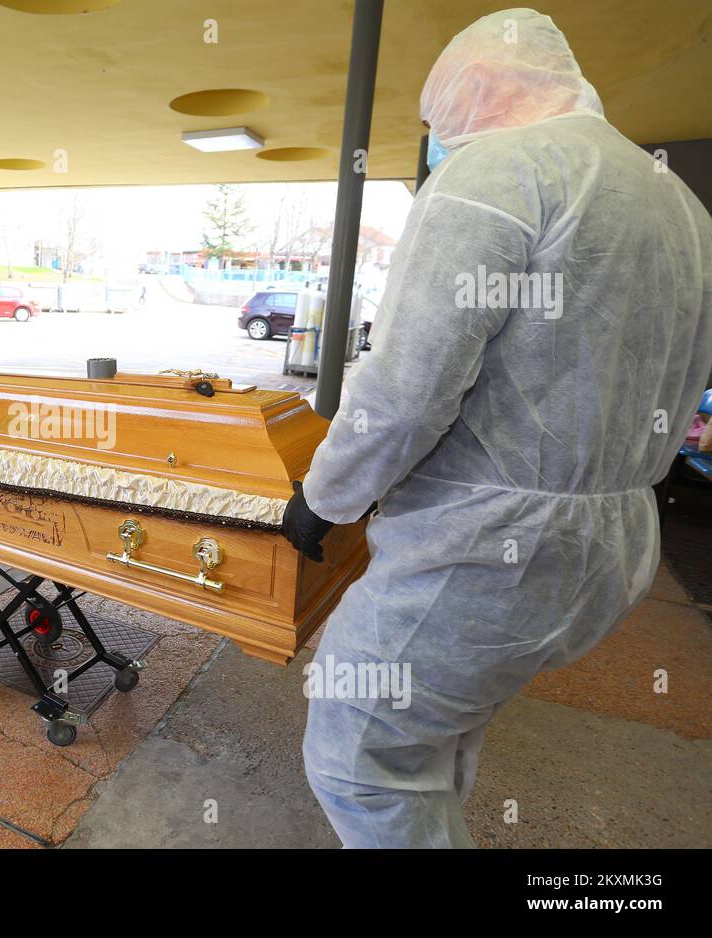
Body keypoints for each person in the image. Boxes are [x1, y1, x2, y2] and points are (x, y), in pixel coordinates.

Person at [283, 8, 712, 847]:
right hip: (615, 542)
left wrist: (325, 497)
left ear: (472, 94)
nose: (437, 144)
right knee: (436, 735)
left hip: (483, 546)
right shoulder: (685, 210)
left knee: (360, 762)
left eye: (436, 124)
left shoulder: (499, 176)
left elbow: (406, 388)